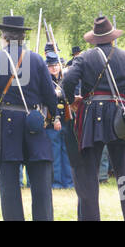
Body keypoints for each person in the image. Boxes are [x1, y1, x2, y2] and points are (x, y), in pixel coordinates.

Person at [60, 16, 125, 221]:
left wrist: (72, 100)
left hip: (92, 117)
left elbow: (67, 82)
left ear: (95, 39)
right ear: (112, 38)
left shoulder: (84, 58)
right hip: (122, 117)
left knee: (88, 174)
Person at [0, 15, 58, 221]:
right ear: (22, 37)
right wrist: (52, 116)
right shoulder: (37, 59)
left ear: (3, 37)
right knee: (41, 188)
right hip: (34, 122)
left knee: (9, 187)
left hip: (5, 123)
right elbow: (50, 95)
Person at [45, 51, 74, 189]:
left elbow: (72, 94)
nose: (54, 68)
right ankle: (56, 182)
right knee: (55, 154)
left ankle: (68, 182)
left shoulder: (65, 80)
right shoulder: (46, 81)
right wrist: (55, 119)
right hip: (53, 122)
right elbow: (49, 101)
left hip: (66, 120)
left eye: (56, 65)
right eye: (51, 66)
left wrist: (61, 93)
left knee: (67, 153)